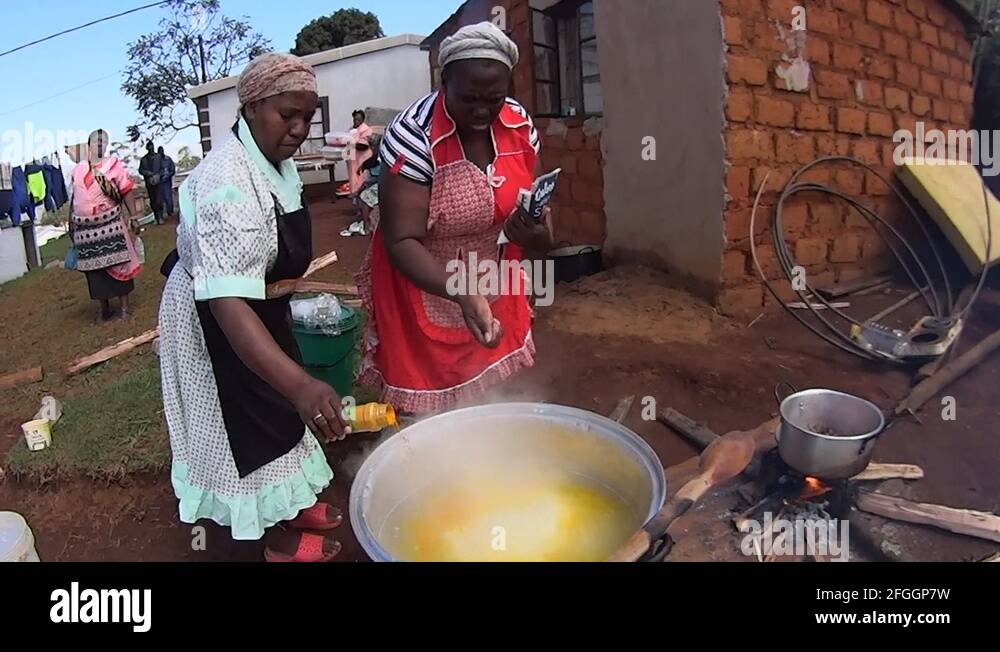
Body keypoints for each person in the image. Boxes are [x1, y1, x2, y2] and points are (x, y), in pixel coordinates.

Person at [158, 52, 351, 562]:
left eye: (308, 116)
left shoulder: (274, 164)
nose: (299, 127)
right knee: (243, 427)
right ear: (250, 106)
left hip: (259, 304)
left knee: (274, 407)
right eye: (287, 113)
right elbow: (225, 302)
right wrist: (302, 384)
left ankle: (283, 506)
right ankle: (267, 543)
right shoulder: (226, 183)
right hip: (216, 319)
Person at [356, 22, 553, 414]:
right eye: (469, 98)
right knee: (431, 393)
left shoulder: (519, 125)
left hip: (495, 273)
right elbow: (402, 241)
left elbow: (545, 228)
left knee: (490, 385)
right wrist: (462, 291)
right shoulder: (413, 134)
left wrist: (531, 229)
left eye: (494, 98)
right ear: (444, 80)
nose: (483, 110)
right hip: (423, 275)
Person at [70, 129, 142, 321]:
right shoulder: (78, 169)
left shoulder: (113, 165)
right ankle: (105, 309)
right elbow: (74, 197)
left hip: (110, 225)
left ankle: (125, 308)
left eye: (104, 142)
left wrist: (133, 216)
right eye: (96, 142)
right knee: (95, 272)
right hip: (86, 231)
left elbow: (126, 191)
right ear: (89, 145)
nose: (100, 145)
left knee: (120, 263)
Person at [340, 109, 374, 198]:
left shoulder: (366, 129)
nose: (356, 121)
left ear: (363, 120)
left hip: (362, 160)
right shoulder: (350, 129)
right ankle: (355, 197)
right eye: (355, 119)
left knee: (362, 180)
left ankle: (361, 199)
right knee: (353, 179)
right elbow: (344, 141)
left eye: (358, 119)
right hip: (352, 160)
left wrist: (351, 142)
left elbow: (364, 146)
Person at [139, 141, 164, 224]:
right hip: (149, 183)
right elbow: (141, 170)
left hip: (158, 182)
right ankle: (156, 217)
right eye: (149, 148)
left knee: (159, 200)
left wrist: (158, 175)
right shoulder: (143, 159)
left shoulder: (158, 157)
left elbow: (163, 169)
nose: (151, 149)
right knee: (153, 201)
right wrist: (148, 173)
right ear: (147, 148)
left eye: (152, 147)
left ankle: (160, 217)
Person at [157, 146, 176, 219]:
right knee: (160, 199)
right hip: (158, 182)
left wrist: (168, 176)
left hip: (167, 182)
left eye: (162, 151)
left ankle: (170, 212)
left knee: (168, 197)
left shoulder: (168, 159)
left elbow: (172, 170)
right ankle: (162, 215)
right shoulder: (156, 161)